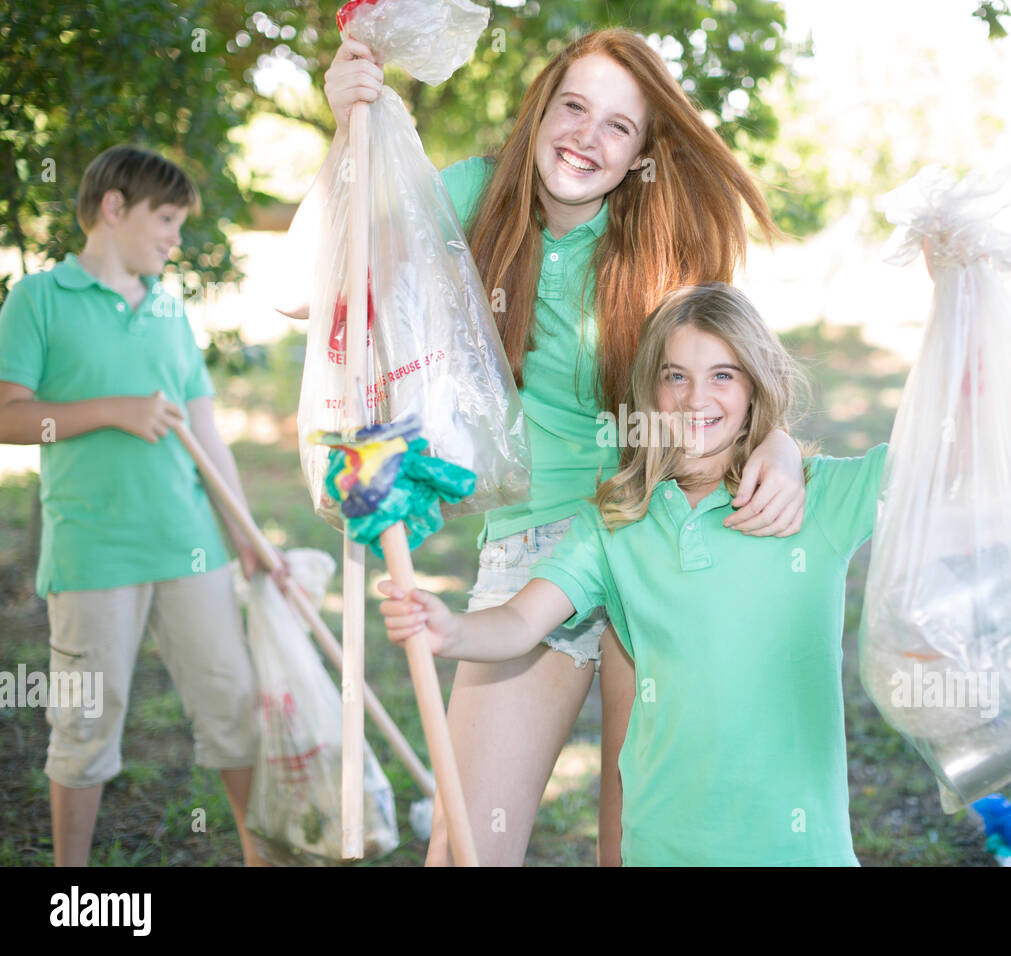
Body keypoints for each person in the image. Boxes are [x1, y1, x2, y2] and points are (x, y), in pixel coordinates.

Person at [323, 29, 808, 865]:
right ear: (540, 110)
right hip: (540, 540)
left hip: (659, 537)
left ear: (641, 154)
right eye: (574, 107)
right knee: (468, 847)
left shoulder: (660, 230)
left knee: (637, 849)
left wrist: (783, 446)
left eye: (618, 126)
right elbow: (311, 287)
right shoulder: (478, 191)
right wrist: (347, 127)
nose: (588, 135)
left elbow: (722, 377)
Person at [378, 283, 888, 865]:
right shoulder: (616, 522)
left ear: (756, 385)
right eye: (676, 376)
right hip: (662, 844)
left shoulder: (818, 500)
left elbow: (942, 466)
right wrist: (449, 629)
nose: (697, 398)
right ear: (650, 390)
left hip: (799, 847)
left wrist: (964, 294)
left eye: (724, 375)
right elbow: (522, 621)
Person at [0, 144, 285, 866]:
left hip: (190, 545)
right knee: (86, 725)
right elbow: (7, 417)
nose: (174, 238)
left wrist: (245, 534)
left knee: (231, 706)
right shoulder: (38, 299)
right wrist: (113, 410)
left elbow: (207, 435)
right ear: (113, 207)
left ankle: (259, 857)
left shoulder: (168, 309)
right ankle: (73, 882)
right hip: (93, 552)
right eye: (165, 219)